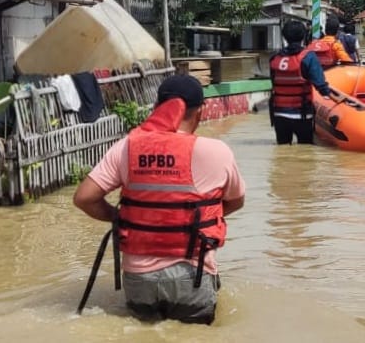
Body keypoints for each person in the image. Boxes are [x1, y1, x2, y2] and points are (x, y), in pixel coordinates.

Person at [73, 75, 245, 325]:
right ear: (200, 112)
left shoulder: (127, 147)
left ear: (158, 108)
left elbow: (84, 198)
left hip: (139, 278)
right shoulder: (216, 152)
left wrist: (122, 218)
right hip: (192, 277)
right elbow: (237, 200)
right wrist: (190, 222)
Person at [270, 20, 332, 144]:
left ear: (284, 37)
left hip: (279, 114)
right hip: (302, 113)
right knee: (306, 152)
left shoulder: (274, 57)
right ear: (304, 36)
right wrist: (329, 94)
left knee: (282, 152)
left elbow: (273, 81)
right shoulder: (309, 57)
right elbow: (320, 85)